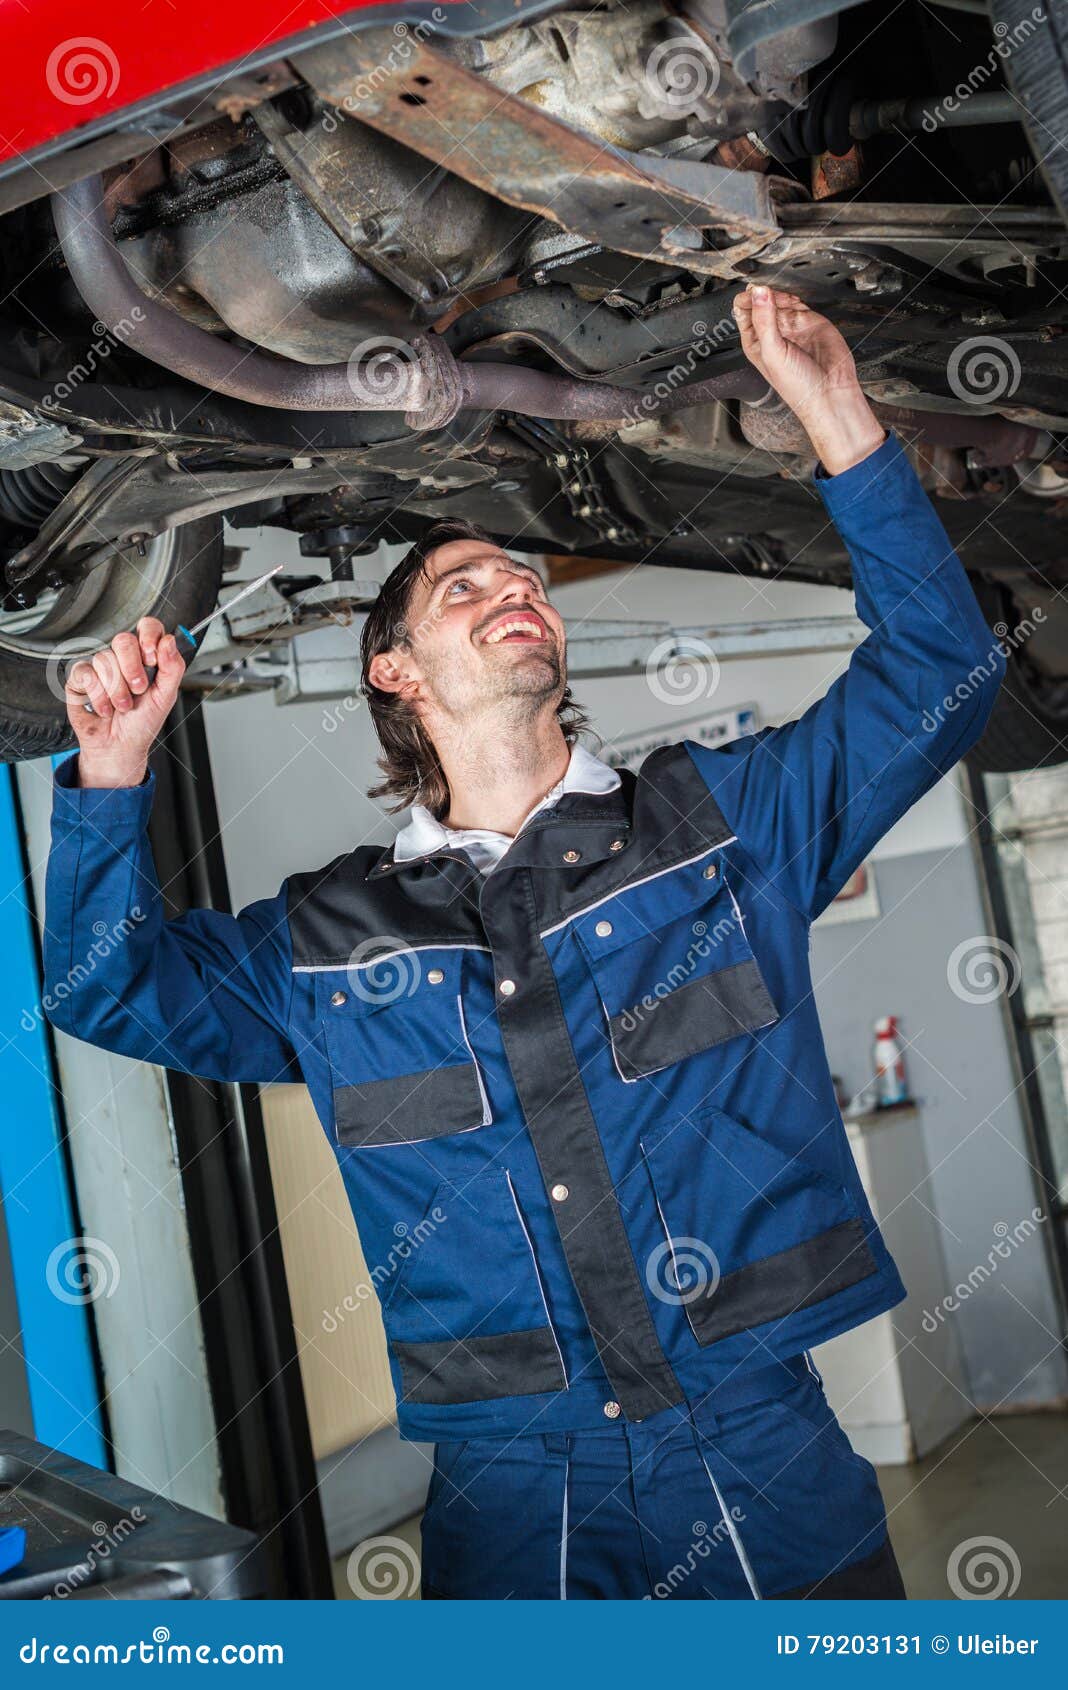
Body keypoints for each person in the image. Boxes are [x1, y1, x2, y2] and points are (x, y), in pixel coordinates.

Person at [44, 287, 1004, 1599]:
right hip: (509, 1499)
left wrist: (839, 410)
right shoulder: (327, 943)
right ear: (394, 669)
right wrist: (107, 779)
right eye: (464, 582)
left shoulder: (723, 824)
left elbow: (942, 672)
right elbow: (104, 987)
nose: (514, 586)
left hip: (762, 1447)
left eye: (526, 577)